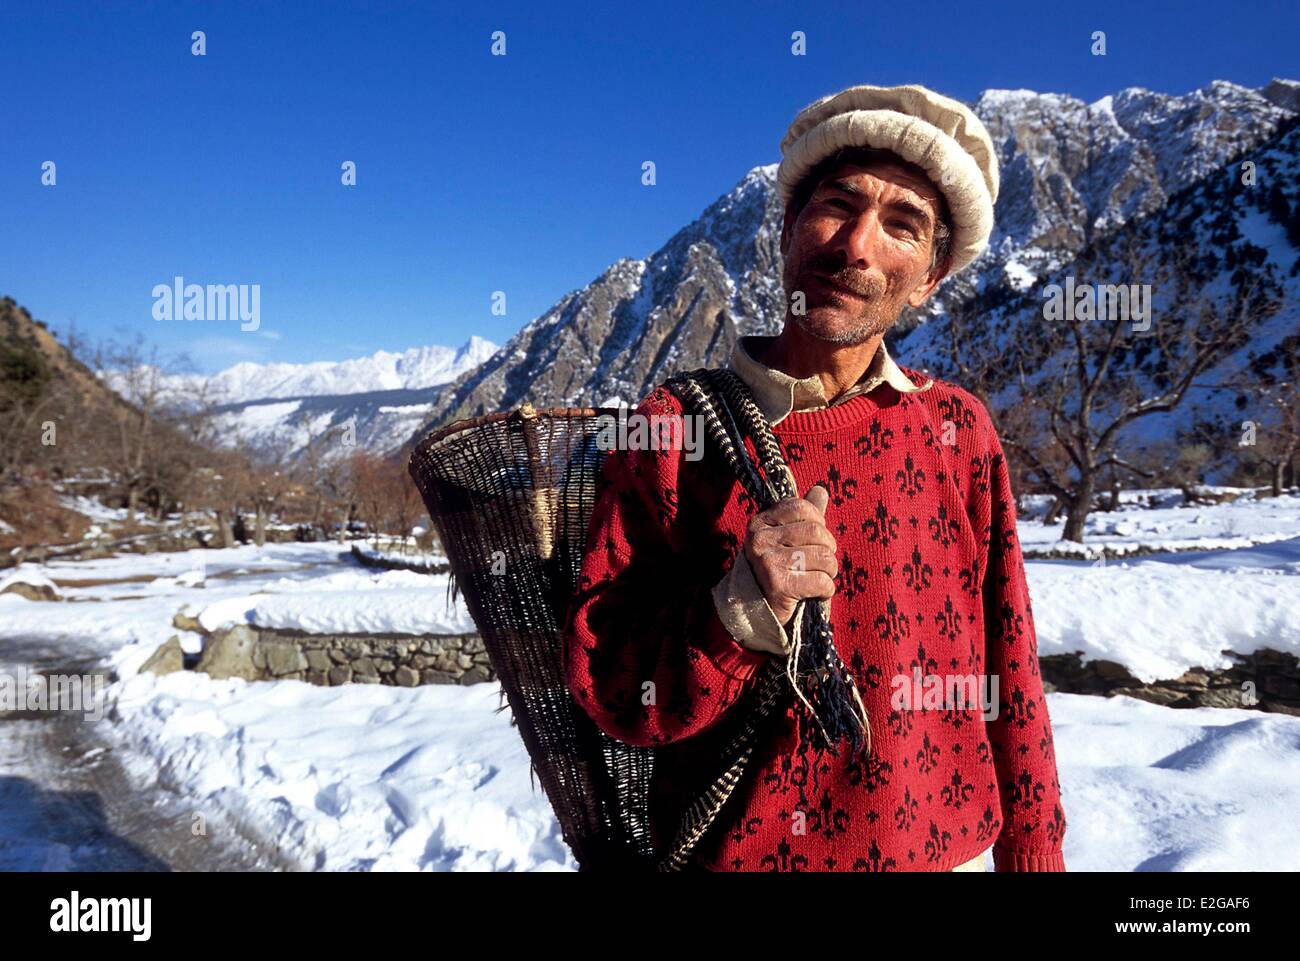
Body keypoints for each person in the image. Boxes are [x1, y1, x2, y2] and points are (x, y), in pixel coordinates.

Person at [563, 83, 1067, 872]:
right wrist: (737, 609)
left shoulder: (959, 430)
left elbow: (1012, 664)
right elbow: (608, 683)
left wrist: (1035, 854)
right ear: (788, 229)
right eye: (838, 206)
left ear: (929, 278)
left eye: (903, 225)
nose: (858, 245)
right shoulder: (672, 427)